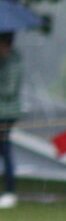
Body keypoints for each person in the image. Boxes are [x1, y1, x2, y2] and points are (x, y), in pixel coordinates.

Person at [0, 32, 20, 211]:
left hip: (6, 114)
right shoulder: (4, 62)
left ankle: (10, 191)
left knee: (5, 151)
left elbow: (9, 90)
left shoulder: (13, 63)